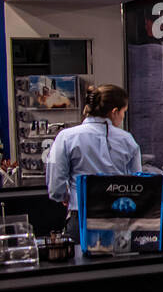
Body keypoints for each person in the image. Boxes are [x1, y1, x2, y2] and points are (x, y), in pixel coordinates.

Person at [45, 84, 142, 242]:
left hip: (81, 216)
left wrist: (66, 196)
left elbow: (55, 186)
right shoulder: (127, 140)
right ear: (115, 112)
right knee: (121, 265)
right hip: (119, 218)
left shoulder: (66, 137)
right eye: (124, 112)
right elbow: (137, 183)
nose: (123, 117)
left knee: (82, 264)